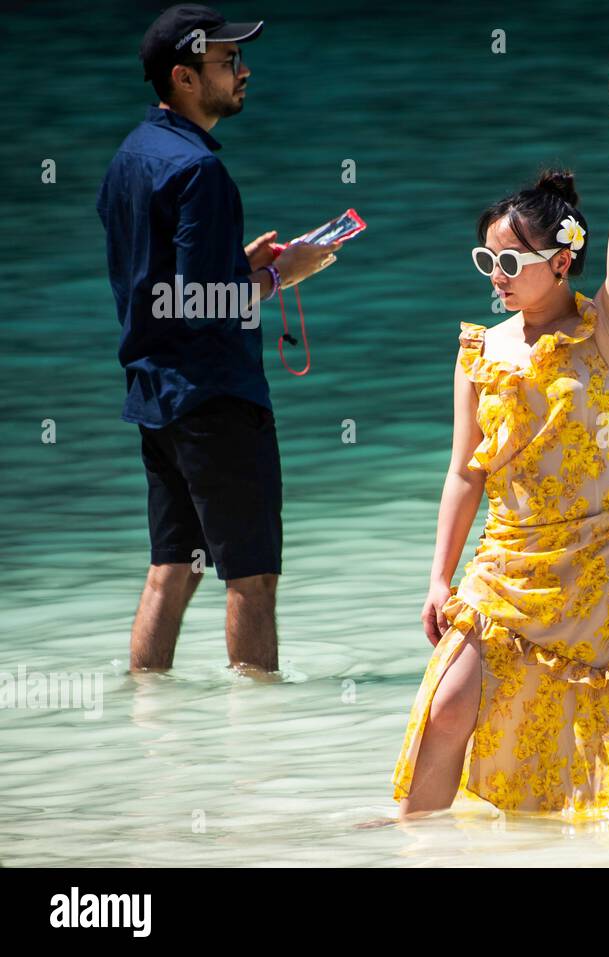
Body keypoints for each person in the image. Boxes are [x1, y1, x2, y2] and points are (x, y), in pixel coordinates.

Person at [391, 32, 609, 820]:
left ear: (562, 259)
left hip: (601, 560)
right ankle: (409, 841)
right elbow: (464, 473)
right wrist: (438, 574)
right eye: (487, 264)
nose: (497, 279)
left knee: (602, 731)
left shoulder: (606, 334)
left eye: (510, 264)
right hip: (509, 559)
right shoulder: (479, 352)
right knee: (450, 704)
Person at [97, 5, 341, 675]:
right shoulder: (200, 172)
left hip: (155, 394)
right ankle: (254, 752)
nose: (243, 71)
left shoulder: (129, 159)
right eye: (228, 62)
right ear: (182, 77)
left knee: (171, 570)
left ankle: (147, 727)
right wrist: (276, 275)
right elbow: (199, 302)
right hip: (215, 396)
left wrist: (234, 260)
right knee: (252, 578)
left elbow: (159, 285)